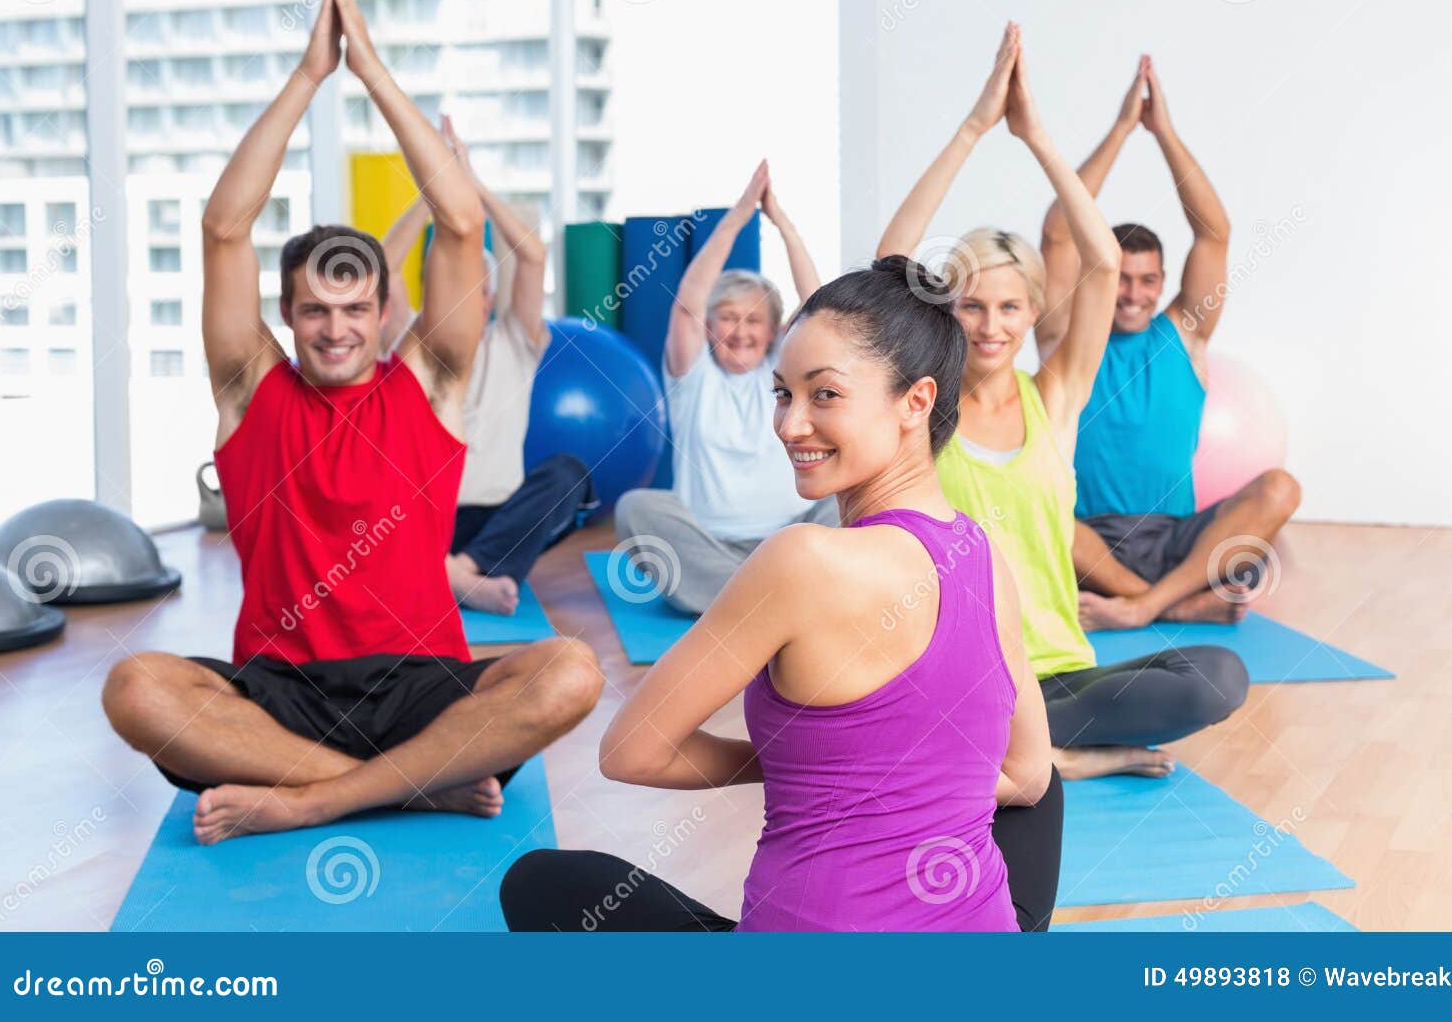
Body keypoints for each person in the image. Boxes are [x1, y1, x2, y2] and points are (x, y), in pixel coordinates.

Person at [100, 0, 603, 844]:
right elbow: (224, 228)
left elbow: (457, 224)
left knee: (571, 671)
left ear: (383, 314)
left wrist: (370, 70)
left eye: (354, 309)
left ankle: (310, 798)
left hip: (419, 682)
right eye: (315, 311)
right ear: (286, 316)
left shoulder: (430, 381)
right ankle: (406, 787)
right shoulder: (250, 390)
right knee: (134, 687)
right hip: (281, 692)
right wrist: (309, 77)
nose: (336, 329)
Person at [500, 257, 1062, 932]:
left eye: (824, 394)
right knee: (1041, 800)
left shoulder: (801, 560)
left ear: (916, 401)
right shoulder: (987, 556)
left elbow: (631, 750)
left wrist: (811, 768)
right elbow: (1028, 775)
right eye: (782, 393)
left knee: (542, 881)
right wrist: (891, 775)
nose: (791, 424)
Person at [876, 24, 1247, 781]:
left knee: (1217, 676)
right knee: (946, 702)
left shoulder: (1055, 394)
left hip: (1057, 669)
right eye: (973, 305)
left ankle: (1038, 753)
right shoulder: (923, 407)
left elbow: (1103, 259)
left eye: (1011, 308)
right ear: (946, 309)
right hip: (966, 675)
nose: (991, 325)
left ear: (1031, 314)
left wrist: (1039, 136)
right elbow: (891, 263)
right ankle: (1043, 756)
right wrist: (978, 127)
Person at [1058, 55, 1302, 631]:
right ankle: (1178, 604)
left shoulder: (1184, 332)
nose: (1133, 294)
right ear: (1099, 278)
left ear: (1163, 283)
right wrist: (1120, 131)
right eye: (1119, 278)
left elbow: (1213, 232)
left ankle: (1143, 605)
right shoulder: (1066, 339)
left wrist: (1162, 133)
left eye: (1147, 280)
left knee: (1281, 488)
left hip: (1178, 540)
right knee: (1031, 511)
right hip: (1089, 543)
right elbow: (1057, 231)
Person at [379, 116, 595, 616]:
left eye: (471, 289)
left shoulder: (514, 341)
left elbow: (534, 255)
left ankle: (460, 573)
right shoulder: (412, 338)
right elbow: (382, 268)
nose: (457, 299)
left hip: (499, 518)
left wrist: (469, 185)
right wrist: (435, 190)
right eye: (447, 289)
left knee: (570, 474)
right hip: (419, 519)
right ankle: (466, 577)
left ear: (491, 298)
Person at [614, 161, 837, 615]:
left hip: (788, 541)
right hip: (707, 547)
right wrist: (738, 216)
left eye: (753, 319)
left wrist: (783, 224)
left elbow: (820, 308)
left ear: (775, 330)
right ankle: (776, 602)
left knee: (844, 497)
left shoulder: (785, 377)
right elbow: (686, 307)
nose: (740, 331)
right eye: (728, 318)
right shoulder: (692, 377)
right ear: (709, 326)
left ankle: (754, 601)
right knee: (635, 507)